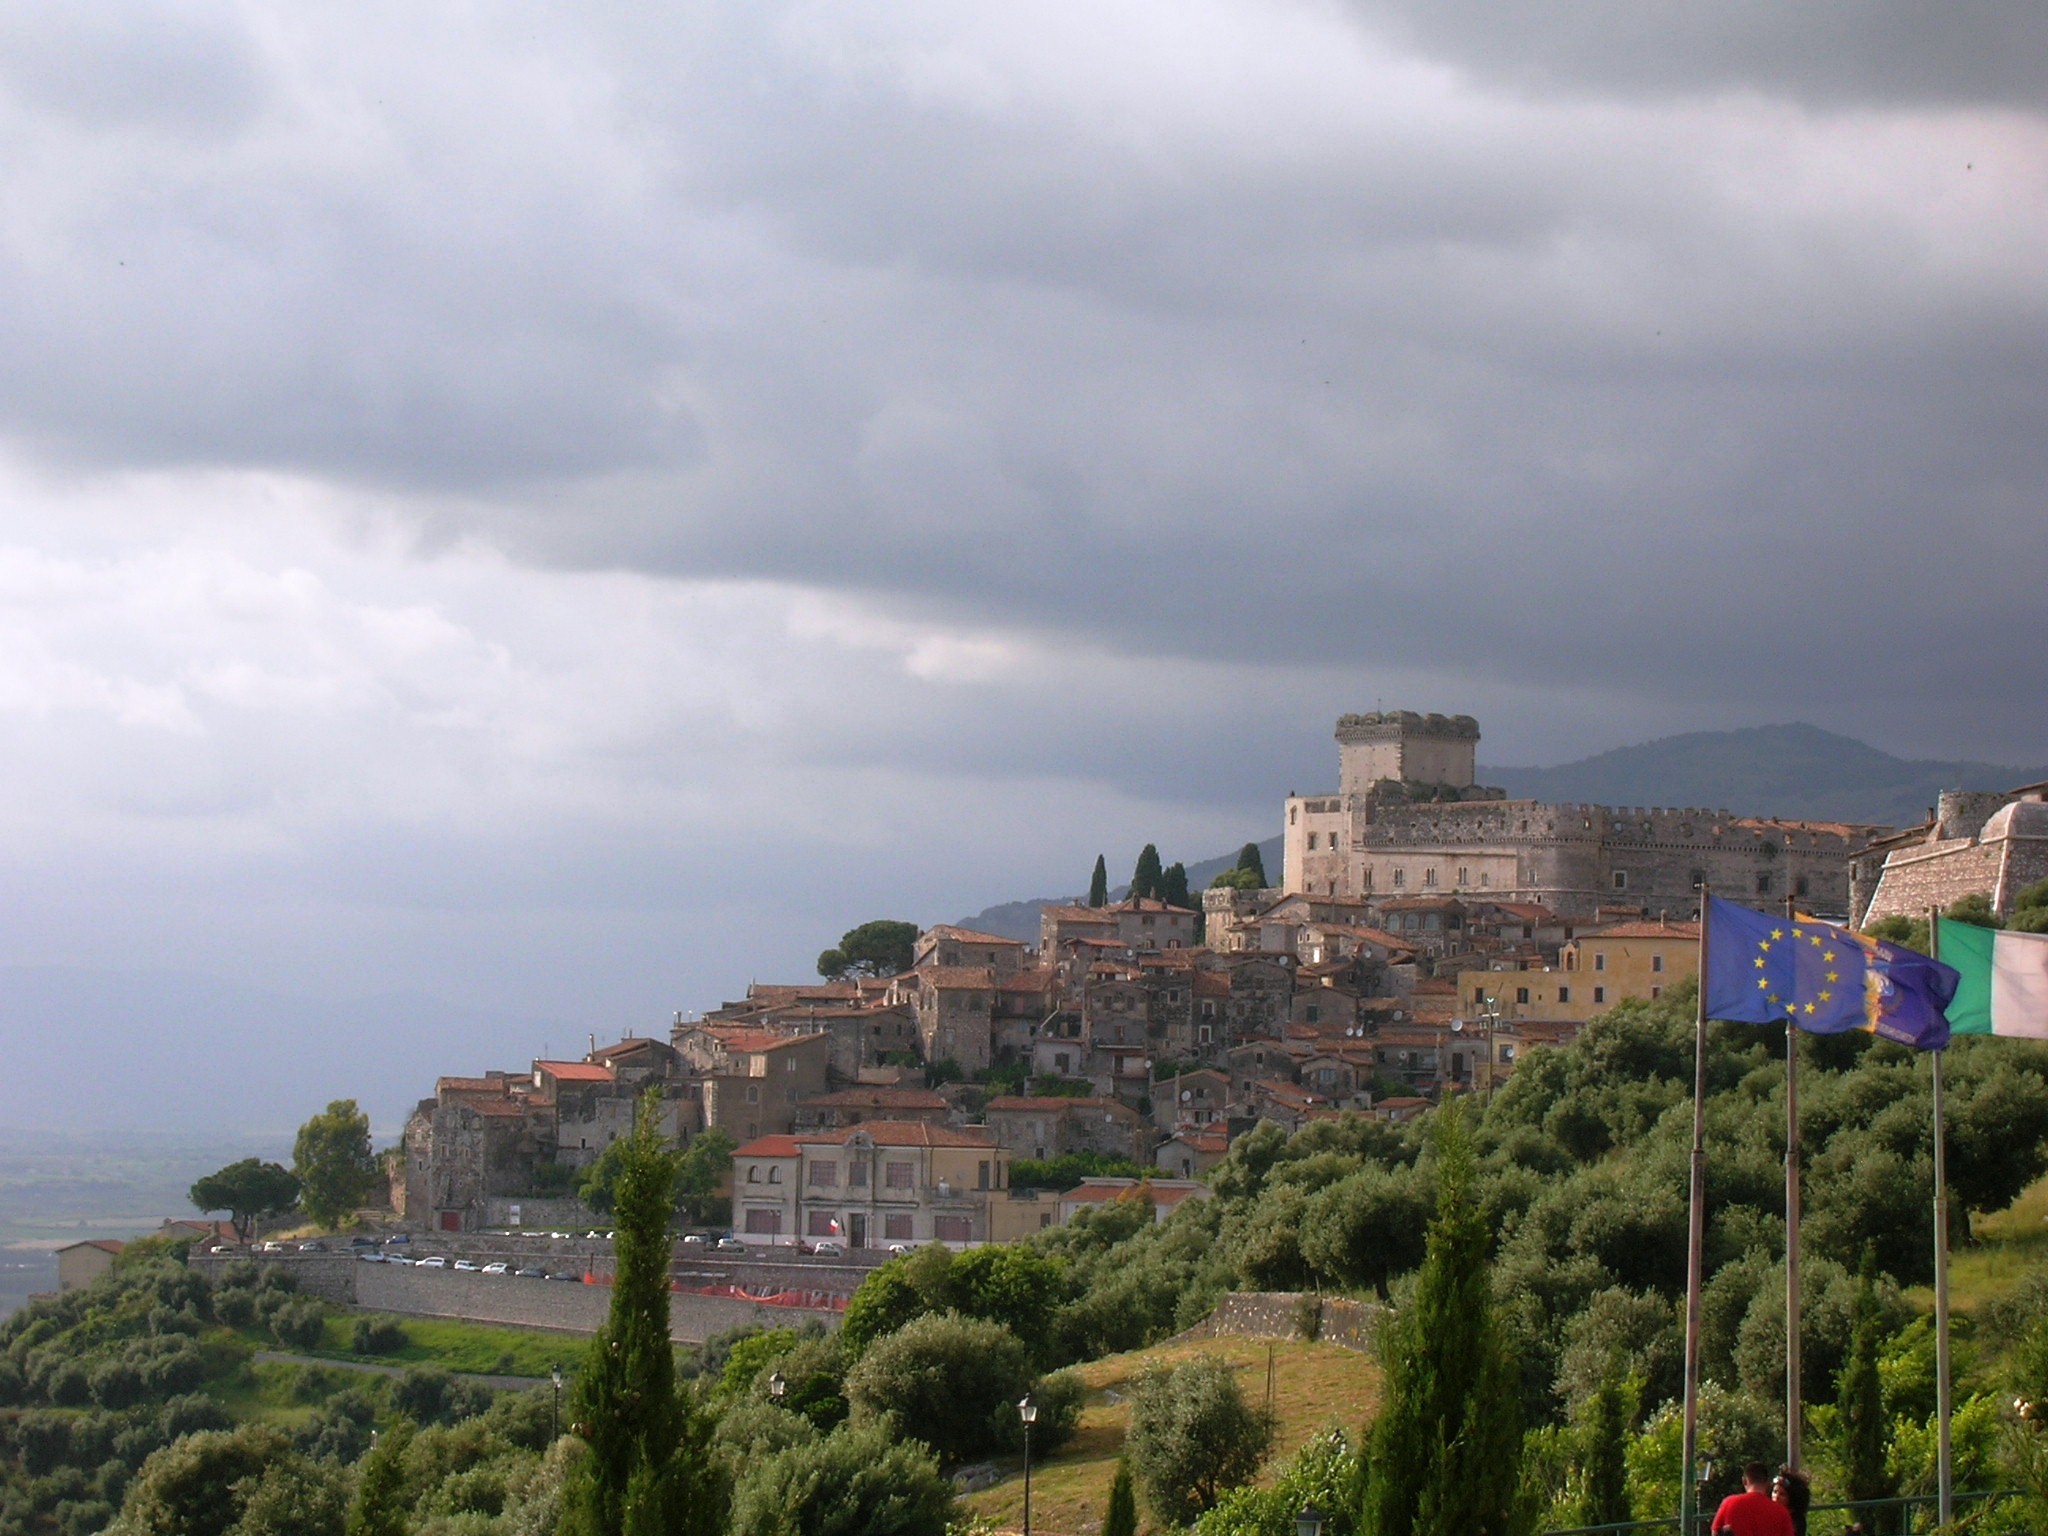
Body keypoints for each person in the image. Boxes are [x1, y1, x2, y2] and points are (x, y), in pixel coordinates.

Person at [1711, 1461, 1795, 1536]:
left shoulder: (1729, 1503)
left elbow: (1715, 1532)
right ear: (1767, 1483)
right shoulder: (1782, 1512)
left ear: (1744, 1481)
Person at [1772, 1466, 1811, 1536]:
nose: (1776, 1497)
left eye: (1782, 1494)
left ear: (1792, 1498)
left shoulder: (1796, 1520)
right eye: (1775, 1492)